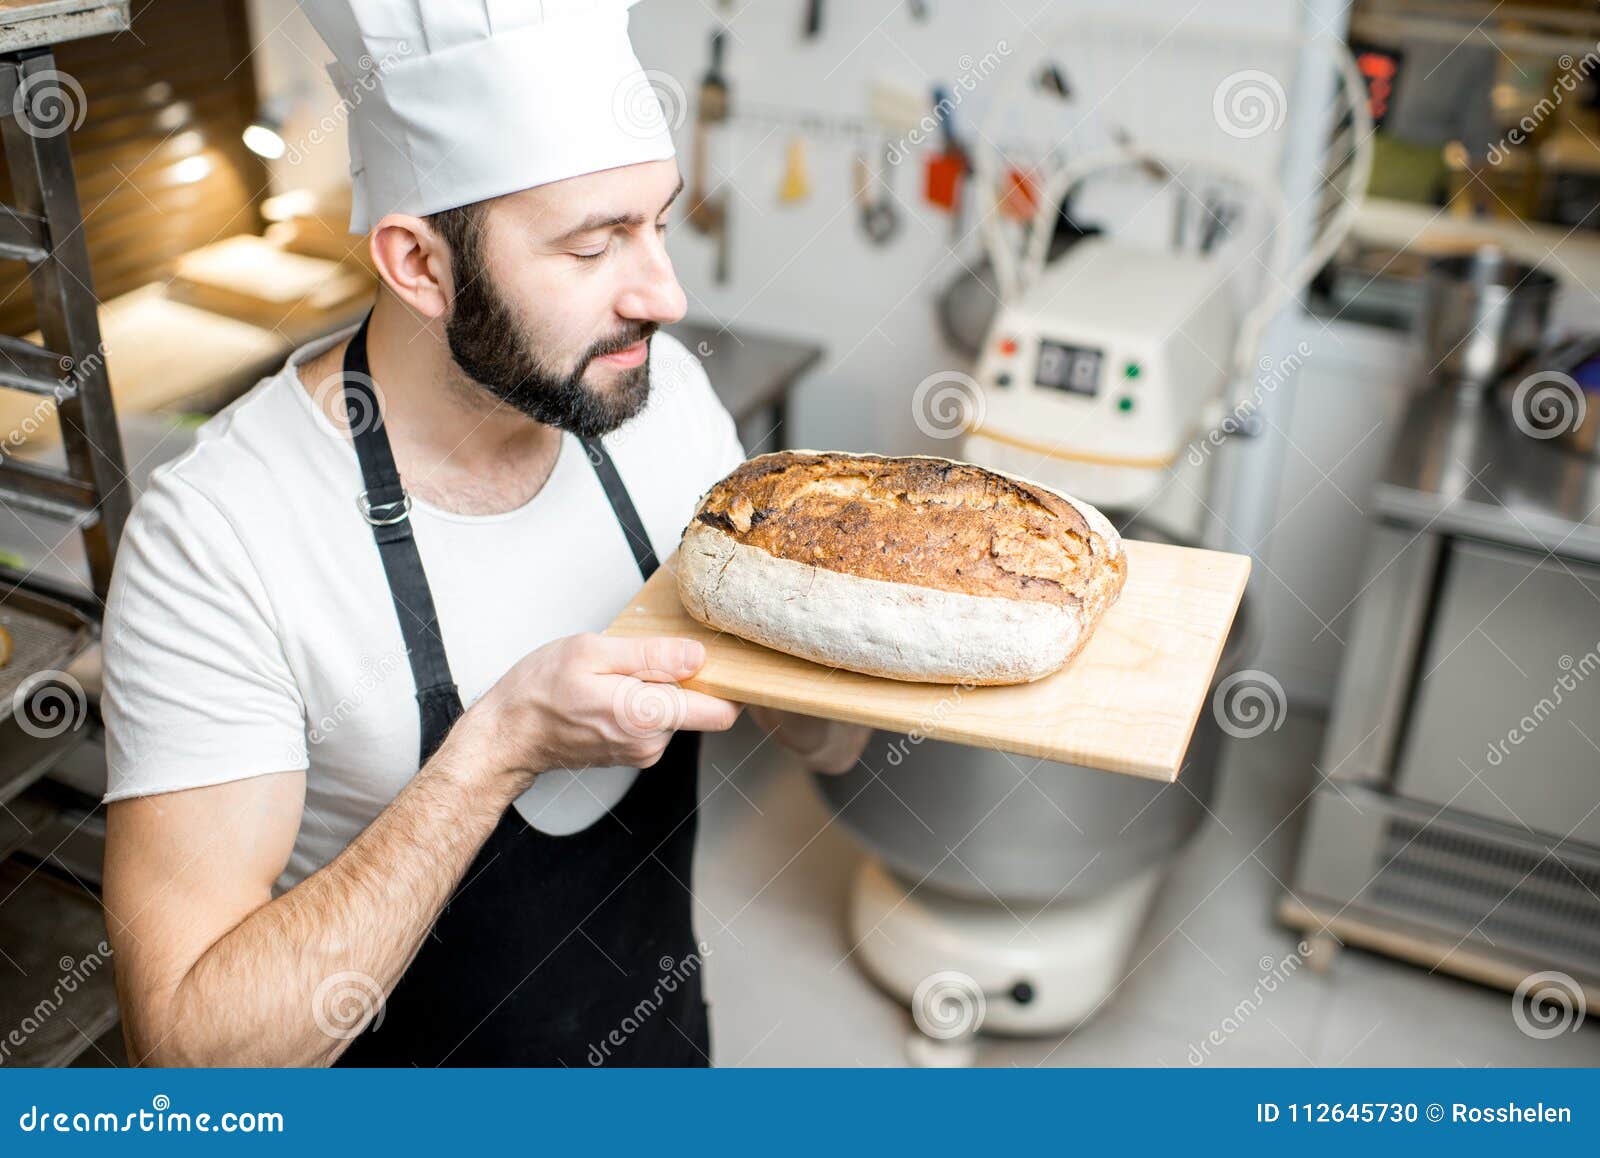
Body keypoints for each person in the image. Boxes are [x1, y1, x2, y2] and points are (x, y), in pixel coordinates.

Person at [100, 0, 868, 1067]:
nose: (665, 293)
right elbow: (188, 1055)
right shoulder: (221, 537)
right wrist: (495, 754)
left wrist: (823, 688)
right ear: (418, 265)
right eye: (593, 245)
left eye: (657, 223)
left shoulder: (669, 402)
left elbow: (835, 743)